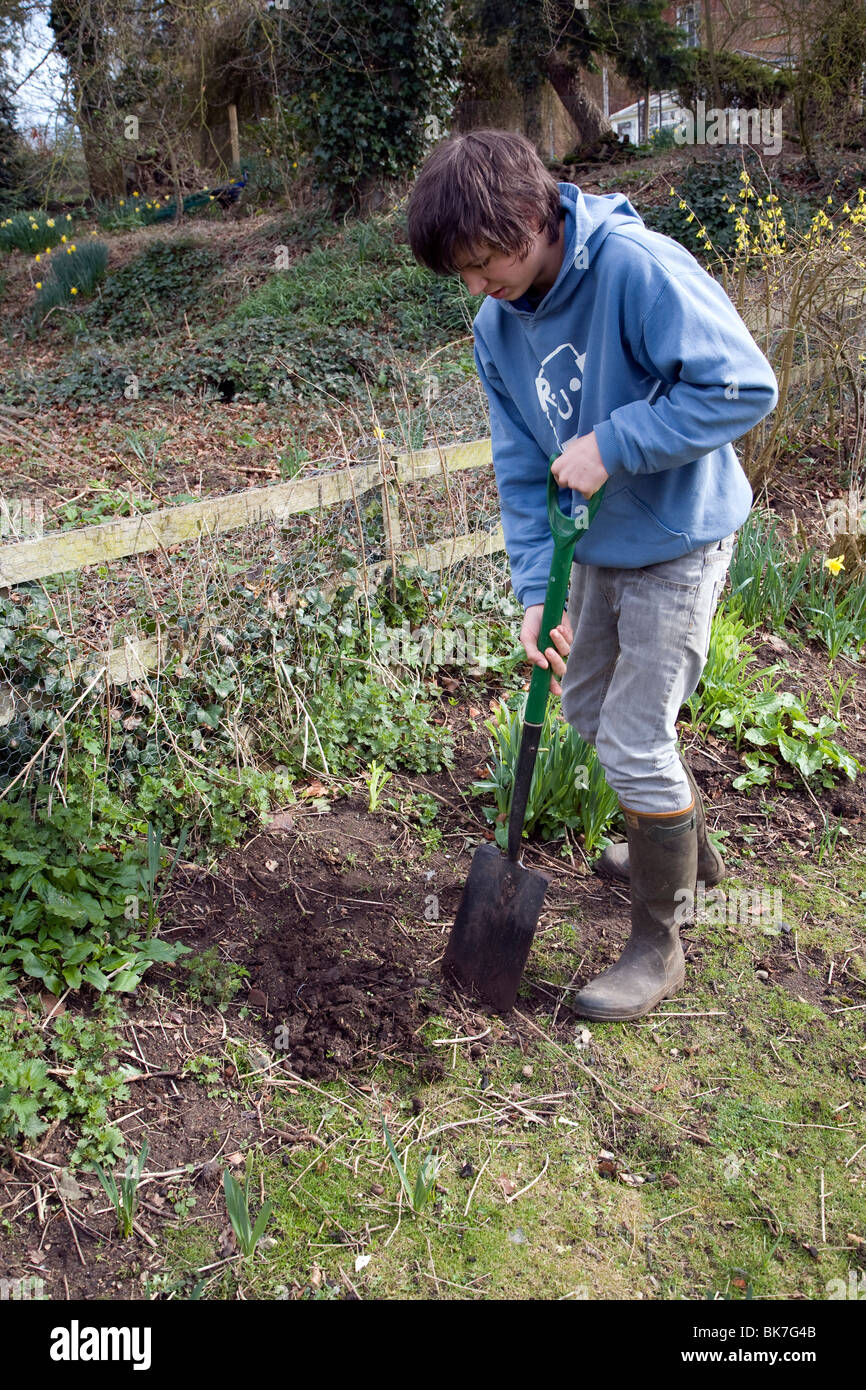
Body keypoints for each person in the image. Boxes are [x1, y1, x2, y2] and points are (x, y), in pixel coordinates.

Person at [406, 129, 778, 1021]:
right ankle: (687, 851)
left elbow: (742, 388)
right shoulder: (495, 327)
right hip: (591, 549)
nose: (476, 286)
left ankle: (661, 943)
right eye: (460, 271)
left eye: (485, 260)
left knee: (635, 737)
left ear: (532, 218)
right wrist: (535, 593)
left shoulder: (638, 268)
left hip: (678, 539)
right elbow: (517, 468)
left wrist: (615, 442)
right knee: (586, 710)